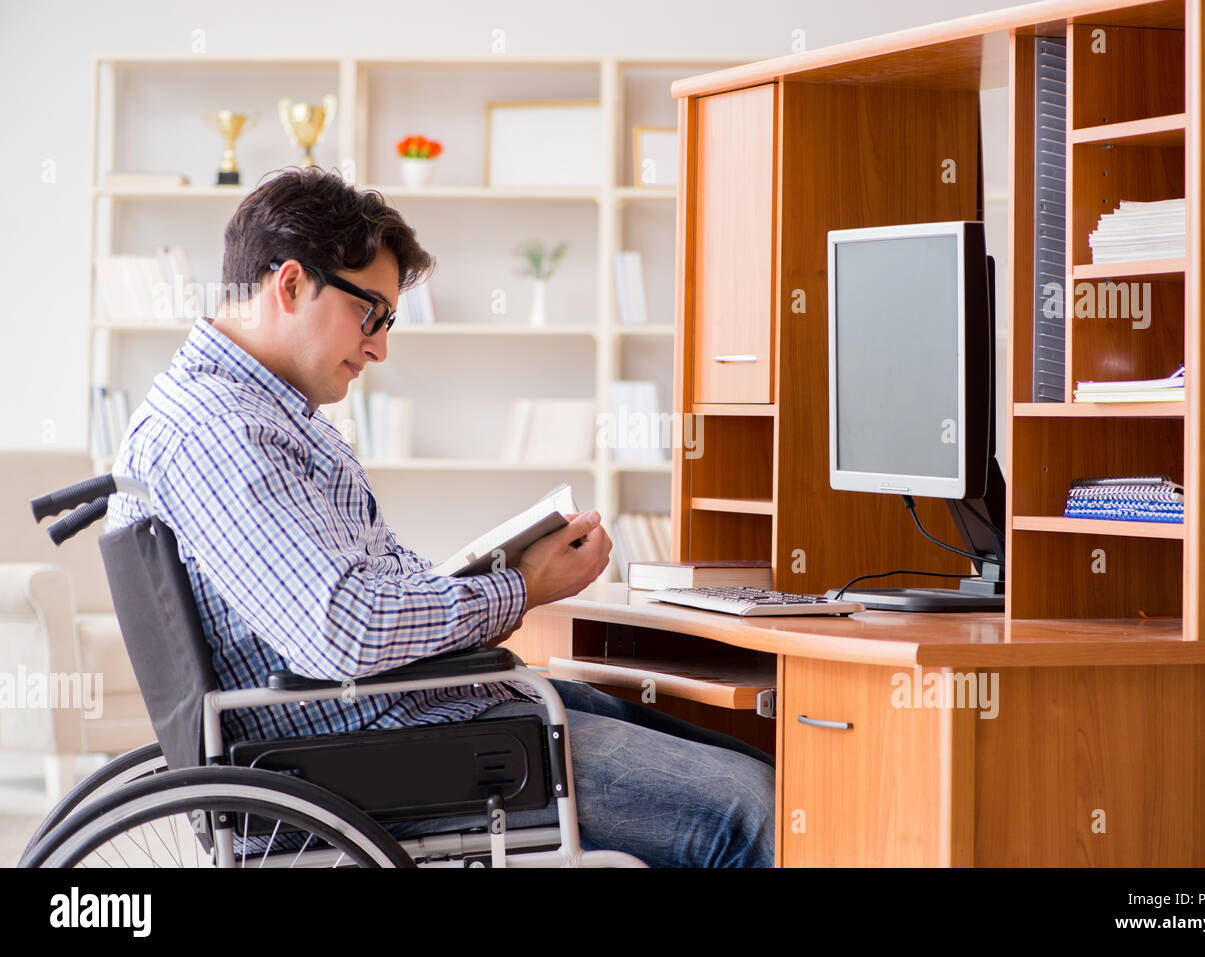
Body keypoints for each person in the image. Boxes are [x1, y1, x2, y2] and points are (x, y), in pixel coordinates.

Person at [104, 166, 774, 867]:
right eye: (371, 313)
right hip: (384, 757)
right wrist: (522, 586)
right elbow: (347, 628)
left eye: (387, 321)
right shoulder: (219, 433)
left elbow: (348, 599)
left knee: (738, 748)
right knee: (753, 807)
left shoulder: (251, 416)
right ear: (292, 284)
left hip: (409, 726)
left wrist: (499, 572)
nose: (379, 345)